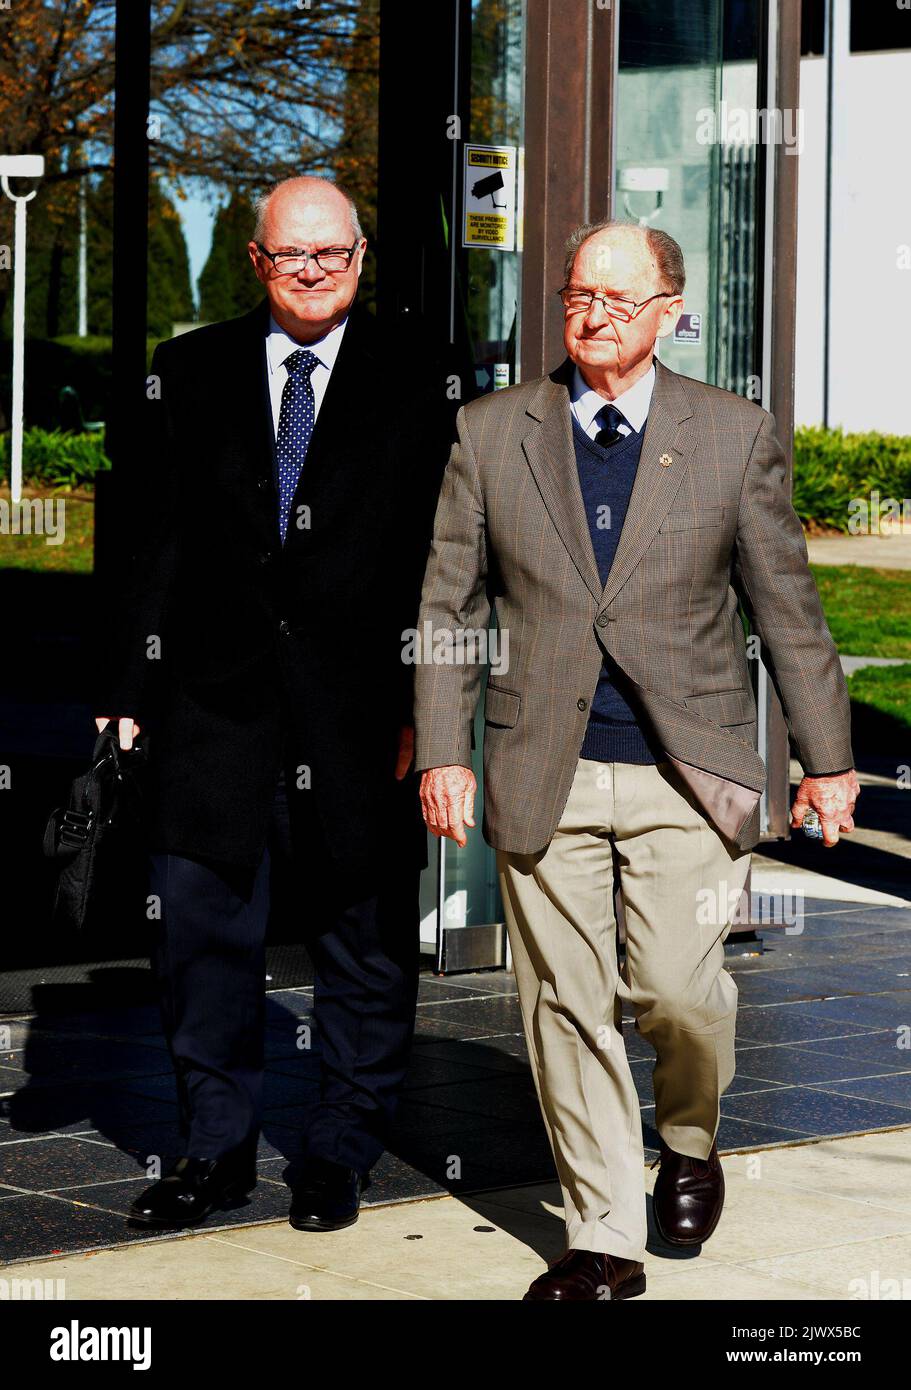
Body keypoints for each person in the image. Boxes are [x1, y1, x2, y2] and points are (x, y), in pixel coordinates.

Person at [413, 219, 859, 1301]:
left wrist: (823, 760)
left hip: (687, 767)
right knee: (561, 1003)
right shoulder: (490, 431)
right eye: (577, 295)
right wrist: (442, 747)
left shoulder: (730, 433)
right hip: (539, 763)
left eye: (617, 299)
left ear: (669, 310)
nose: (592, 314)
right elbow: (447, 604)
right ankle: (603, 1236)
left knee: (676, 991)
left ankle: (690, 1140)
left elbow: (785, 612)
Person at [94, 175, 448, 1233]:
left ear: (360, 256)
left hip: (362, 718)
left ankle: (339, 1147)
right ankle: (213, 1152)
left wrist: (431, 717)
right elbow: (143, 545)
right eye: (289, 256)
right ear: (255, 262)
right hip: (210, 712)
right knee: (201, 944)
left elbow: (446, 557)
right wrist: (124, 691)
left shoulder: (420, 379)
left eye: (330, 255)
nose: (310, 272)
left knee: (363, 943)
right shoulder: (187, 371)